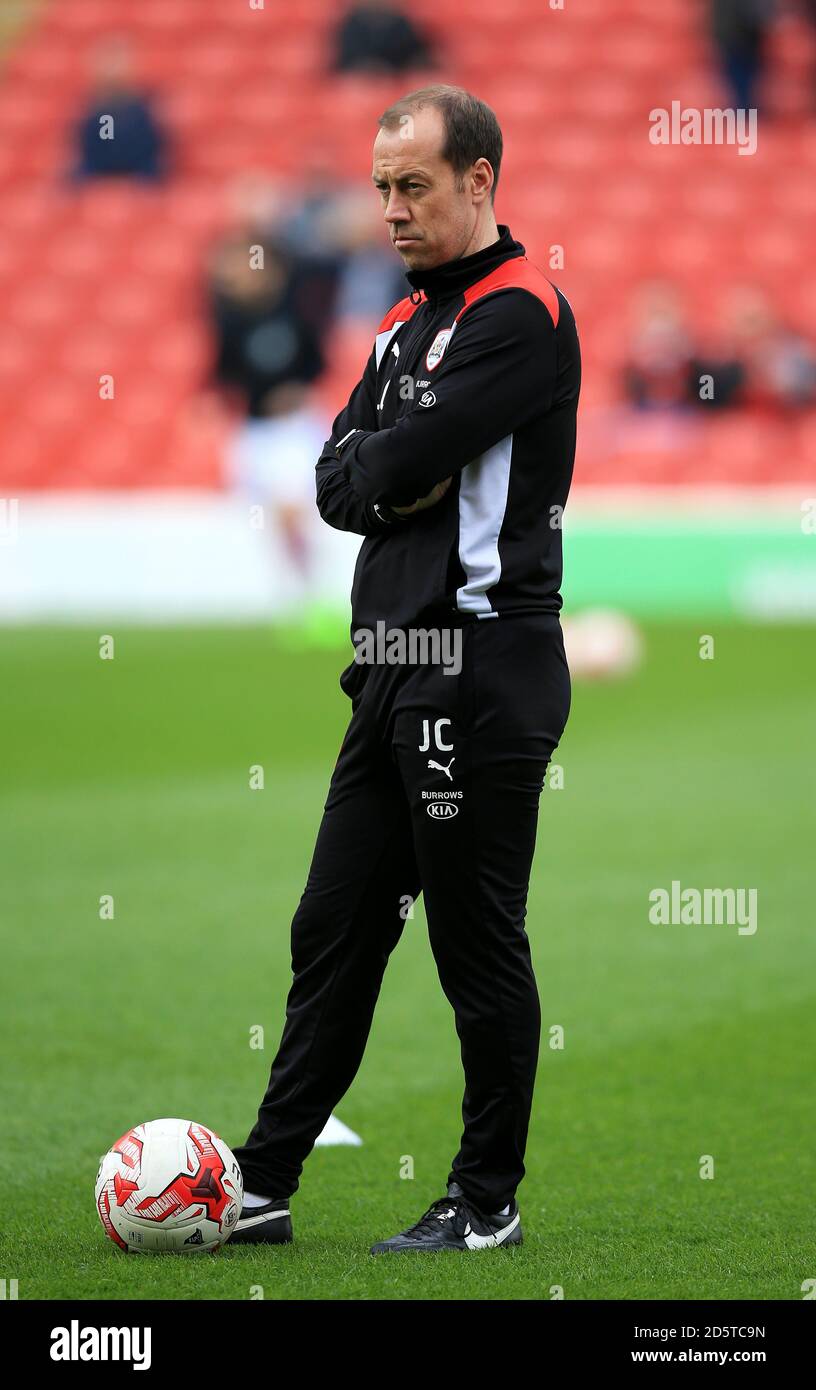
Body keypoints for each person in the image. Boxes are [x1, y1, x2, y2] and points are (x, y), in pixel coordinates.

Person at [230, 85, 580, 1255]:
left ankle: (486, 1201)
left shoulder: (521, 314)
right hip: (389, 667)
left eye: (413, 185)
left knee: (474, 942)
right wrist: (387, 463)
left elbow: (402, 457)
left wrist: (390, 460)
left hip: (478, 666)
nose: (389, 208)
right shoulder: (396, 327)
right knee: (332, 924)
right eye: (381, 187)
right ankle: (263, 1183)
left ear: (479, 181)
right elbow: (339, 486)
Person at [72, 35, 167, 182]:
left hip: (140, 169)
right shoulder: (97, 110)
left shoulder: (144, 106)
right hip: (98, 170)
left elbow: (153, 146)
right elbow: (94, 149)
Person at [331, 0, 435, 75]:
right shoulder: (352, 25)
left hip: (397, 80)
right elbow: (345, 62)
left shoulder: (402, 24)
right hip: (364, 82)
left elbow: (415, 56)